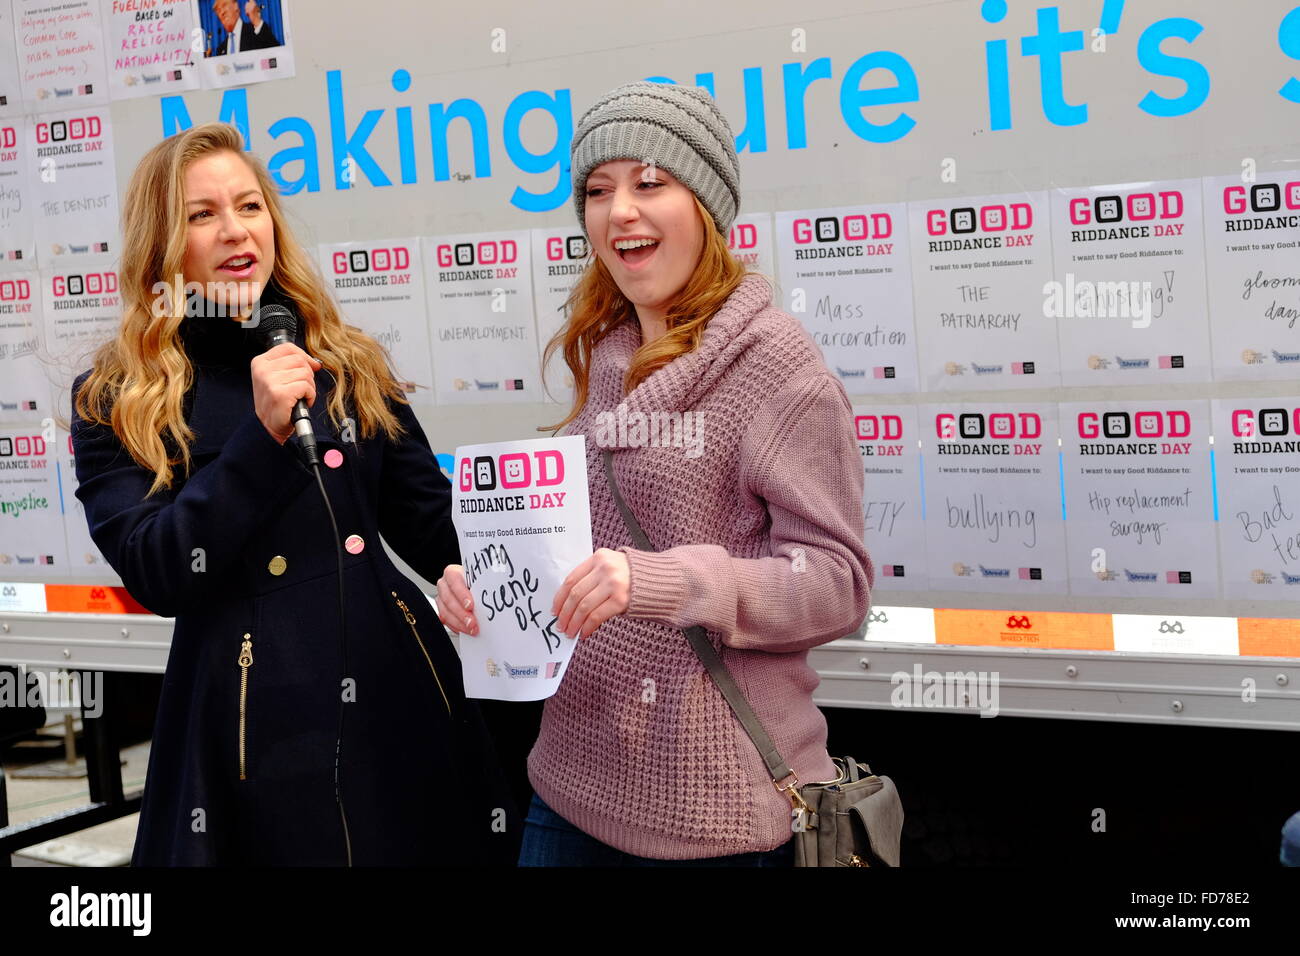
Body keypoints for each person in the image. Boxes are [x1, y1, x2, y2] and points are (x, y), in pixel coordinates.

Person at [435, 81, 874, 866]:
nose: (620, 212)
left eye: (650, 183)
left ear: (704, 203)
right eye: (598, 191)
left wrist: (670, 581)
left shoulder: (780, 368)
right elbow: (584, 561)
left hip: (718, 817)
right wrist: (491, 592)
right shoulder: (605, 354)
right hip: (567, 793)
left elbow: (836, 583)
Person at [70, 122, 515, 866]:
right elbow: (158, 569)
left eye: (249, 205)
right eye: (201, 214)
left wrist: (513, 550)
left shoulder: (343, 361)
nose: (235, 230)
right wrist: (261, 440)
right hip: (248, 732)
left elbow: (432, 525)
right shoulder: (118, 396)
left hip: (396, 699)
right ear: (161, 243)